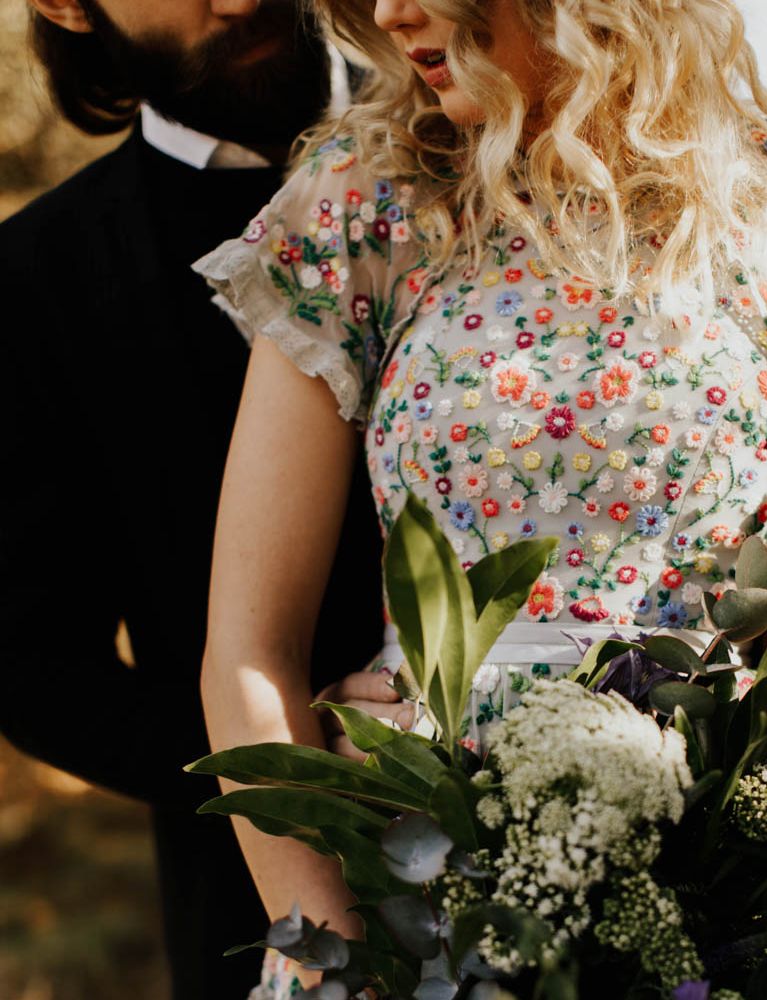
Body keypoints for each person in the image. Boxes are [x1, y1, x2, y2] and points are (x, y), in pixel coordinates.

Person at [196, 0, 767, 995]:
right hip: (419, 899)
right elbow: (245, 650)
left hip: (733, 896)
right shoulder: (361, 208)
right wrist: (330, 948)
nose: (391, 11)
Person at [0, 2, 398, 997]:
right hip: (264, 923)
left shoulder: (500, 155)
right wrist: (300, 757)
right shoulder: (31, 281)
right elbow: (31, 667)